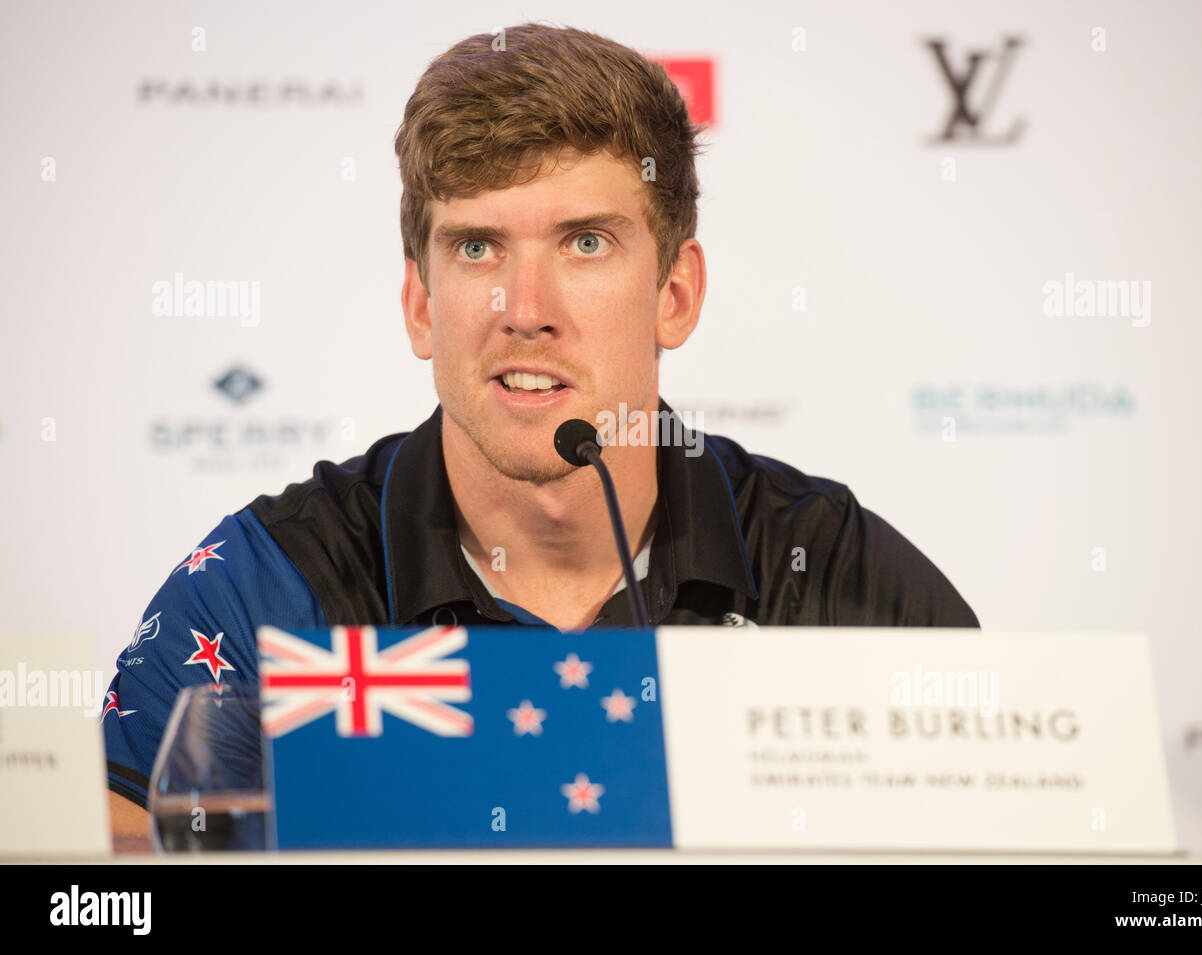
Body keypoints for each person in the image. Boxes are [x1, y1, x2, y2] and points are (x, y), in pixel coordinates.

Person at [103, 22, 978, 850]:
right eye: (478, 249)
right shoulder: (264, 591)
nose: (526, 313)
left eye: (585, 243)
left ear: (676, 293)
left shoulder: (839, 583)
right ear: (420, 305)